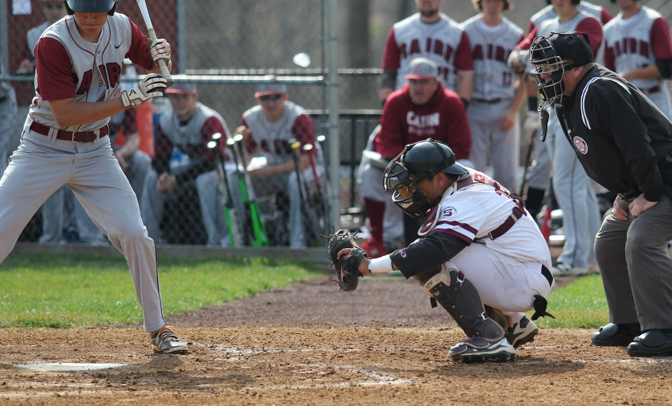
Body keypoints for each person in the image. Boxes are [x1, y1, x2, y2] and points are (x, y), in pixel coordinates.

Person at [0, 0, 187, 354]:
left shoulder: (122, 27)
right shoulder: (53, 42)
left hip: (95, 152)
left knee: (134, 233)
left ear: (112, 7)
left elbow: (161, 73)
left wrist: (162, 55)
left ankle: (159, 329)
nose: (90, 17)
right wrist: (127, 99)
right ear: (69, 6)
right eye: (82, 10)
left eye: (98, 10)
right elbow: (66, 113)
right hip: (43, 147)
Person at [529, 31, 672, 357]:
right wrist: (624, 195)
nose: (543, 75)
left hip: (668, 182)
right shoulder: (569, 95)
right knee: (608, 242)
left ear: (576, 68)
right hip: (640, 186)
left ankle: (670, 330)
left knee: (642, 241)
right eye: (541, 69)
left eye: (551, 67)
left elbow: (638, 143)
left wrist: (648, 192)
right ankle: (629, 322)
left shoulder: (599, 90)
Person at [342, 139, 554, 363]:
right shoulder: (460, 181)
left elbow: (434, 250)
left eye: (413, 183)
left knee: (429, 257)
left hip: (525, 278)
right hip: (522, 269)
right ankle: (512, 323)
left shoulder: (463, 198)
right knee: (433, 250)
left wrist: (369, 266)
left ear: (439, 178)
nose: (408, 191)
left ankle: (489, 336)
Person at [511, 0, 606, 276]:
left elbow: (572, 59)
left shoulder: (587, 22)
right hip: (552, 108)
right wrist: (526, 56)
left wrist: (531, 57)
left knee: (569, 183)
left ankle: (576, 256)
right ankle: (590, 255)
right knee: (576, 186)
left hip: (578, 106)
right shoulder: (545, 24)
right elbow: (517, 54)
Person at [358, 58, 472, 256]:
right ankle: (378, 239)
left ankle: (460, 235)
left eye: (424, 82)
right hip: (403, 166)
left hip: (440, 170)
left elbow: (461, 147)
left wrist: (433, 168)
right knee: (369, 174)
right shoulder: (395, 101)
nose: (418, 88)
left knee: (469, 168)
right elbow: (385, 142)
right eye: (414, 82)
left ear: (436, 82)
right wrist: (410, 165)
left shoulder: (451, 102)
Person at [40, 105, 151, 246]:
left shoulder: (125, 99)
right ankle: (91, 238)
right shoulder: (88, 95)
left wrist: (121, 153)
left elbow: (134, 139)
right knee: (88, 164)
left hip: (109, 152)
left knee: (142, 162)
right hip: (77, 150)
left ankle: (134, 231)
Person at [231, 82, 325, 248]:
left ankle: (298, 242)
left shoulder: (298, 117)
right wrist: (240, 145)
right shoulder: (251, 118)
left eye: (276, 97)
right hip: (273, 169)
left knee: (295, 182)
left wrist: (268, 172)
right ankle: (244, 238)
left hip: (308, 171)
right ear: (258, 99)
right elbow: (244, 162)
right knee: (236, 179)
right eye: (265, 98)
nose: (271, 103)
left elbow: (304, 162)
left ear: (285, 97)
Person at [140, 83, 230, 247]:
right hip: (194, 169)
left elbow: (211, 162)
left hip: (223, 169)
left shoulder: (208, 120)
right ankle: (148, 241)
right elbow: (160, 157)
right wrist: (164, 175)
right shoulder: (167, 120)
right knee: (153, 178)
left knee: (205, 181)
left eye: (184, 97)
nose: (180, 102)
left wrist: (177, 179)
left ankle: (217, 243)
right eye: (175, 97)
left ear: (194, 98)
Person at [460, 0, 526, 191]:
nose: (492, 4)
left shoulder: (515, 34)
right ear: (480, 1)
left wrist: (514, 110)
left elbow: (525, 76)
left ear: (504, 3)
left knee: (506, 173)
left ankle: (507, 222)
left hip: (503, 106)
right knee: (471, 172)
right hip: (474, 107)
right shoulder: (465, 31)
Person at [379, 0, 474, 105]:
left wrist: (462, 105)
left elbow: (466, 74)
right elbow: (389, 73)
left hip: (442, 103)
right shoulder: (399, 30)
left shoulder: (457, 32)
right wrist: (386, 103)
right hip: (406, 101)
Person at [601, 0, 672, 119]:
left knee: (659, 143)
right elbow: (609, 70)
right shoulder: (608, 30)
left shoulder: (654, 21)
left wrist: (630, 75)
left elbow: (666, 67)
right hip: (624, 99)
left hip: (653, 97)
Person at [16, 0, 67, 75]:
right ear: (43, 9)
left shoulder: (79, 32)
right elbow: (23, 63)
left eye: (59, 6)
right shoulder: (34, 34)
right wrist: (26, 65)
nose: (54, 12)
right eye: (49, 6)